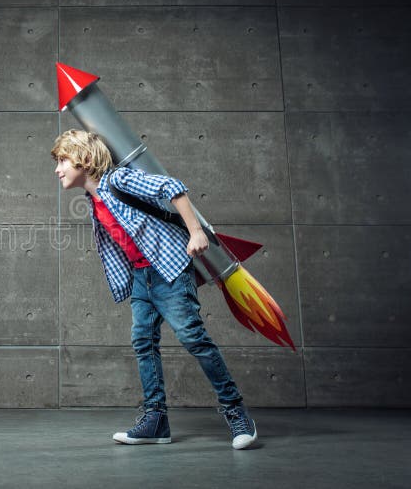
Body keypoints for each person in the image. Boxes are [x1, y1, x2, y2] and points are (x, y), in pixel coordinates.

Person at [51, 128, 257, 450]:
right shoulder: (93, 201)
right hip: (141, 276)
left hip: (169, 269)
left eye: (63, 160)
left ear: (85, 159)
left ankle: (236, 411)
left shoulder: (118, 180)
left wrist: (196, 232)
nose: (58, 169)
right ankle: (156, 420)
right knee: (143, 342)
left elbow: (172, 187)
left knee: (192, 337)